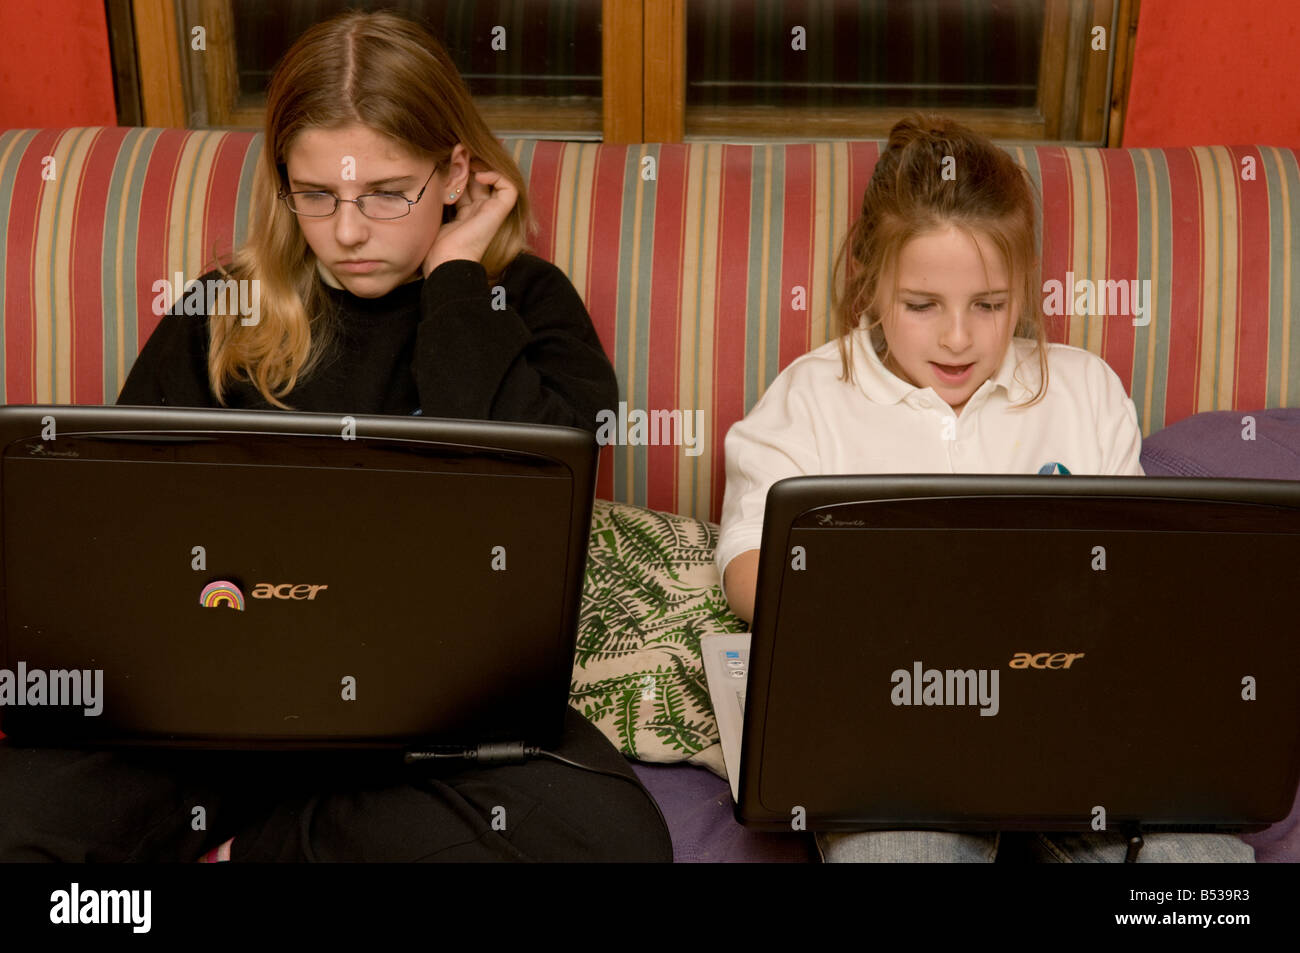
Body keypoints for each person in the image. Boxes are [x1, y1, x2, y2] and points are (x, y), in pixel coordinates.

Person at [0, 10, 669, 863]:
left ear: (456, 170)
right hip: (208, 710)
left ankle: (279, 842)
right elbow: (120, 525)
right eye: (317, 195)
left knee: (613, 843)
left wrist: (456, 278)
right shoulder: (226, 308)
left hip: (434, 720)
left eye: (389, 192)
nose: (349, 231)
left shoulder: (524, 303)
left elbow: (542, 485)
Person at [714, 113, 1252, 864]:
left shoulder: (1082, 388)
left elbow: (1136, 571)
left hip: (1075, 723)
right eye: (922, 305)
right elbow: (745, 563)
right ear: (871, 281)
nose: (959, 338)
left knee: (1202, 873)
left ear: (1024, 288)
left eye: (990, 305)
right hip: (898, 734)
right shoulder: (811, 396)